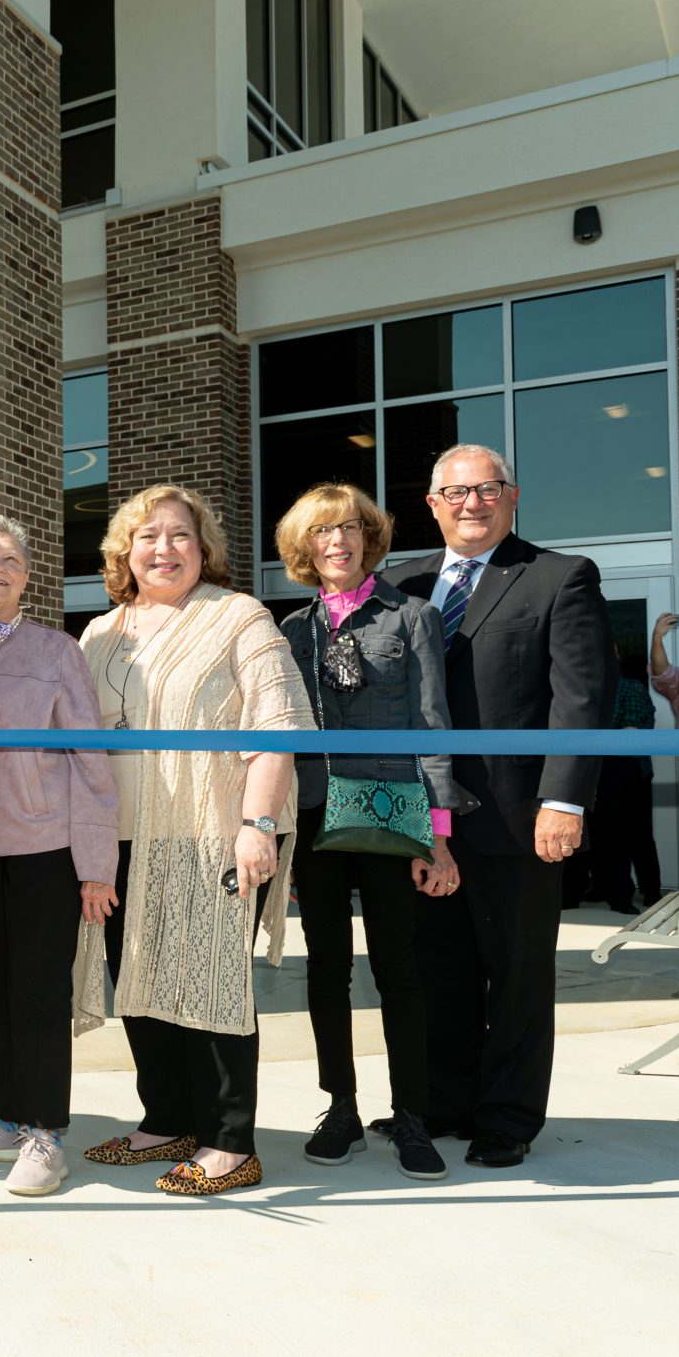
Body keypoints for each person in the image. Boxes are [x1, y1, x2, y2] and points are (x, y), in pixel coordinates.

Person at [75, 484, 311, 1196]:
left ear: (203, 547)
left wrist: (257, 825)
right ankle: (167, 1117)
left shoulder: (239, 617)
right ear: (124, 552)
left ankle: (230, 1141)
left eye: (179, 535)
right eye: (147, 536)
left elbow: (278, 726)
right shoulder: (99, 634)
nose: (163, 548)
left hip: (213, 835)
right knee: (140, 981)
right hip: (119, 840)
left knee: (212, 984)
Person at [382, 444, 612, 1168]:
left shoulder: (557, 577)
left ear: (513, 495)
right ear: (431, 504)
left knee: (516, 977)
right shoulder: (400, 584)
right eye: (454, 492)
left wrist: (565, 799)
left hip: (519, 819)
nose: (470, 503)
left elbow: (582, 698)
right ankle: (448, 1104)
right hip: (424, 821)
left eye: (486, 489)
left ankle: (508, 1119)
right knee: (438, 972)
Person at [273, 483, 470, 1182]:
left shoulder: (412, 617)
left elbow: (432, 723)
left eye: (351, 528)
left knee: (399, 968)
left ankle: (411, 1116)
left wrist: (438, 834)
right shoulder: (290, 631)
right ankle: (342, 1107)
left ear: (369, 538)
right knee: (326, 967)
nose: (338, 542)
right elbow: (277, 740)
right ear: (305, 546)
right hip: (316, 813)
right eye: (323, 531)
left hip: (394, 810)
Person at [0, 517, 117, 1197]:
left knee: (40, 993)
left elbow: (92, 763)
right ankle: (6, 1116)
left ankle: (48, 1134)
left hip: (45, 849)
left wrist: (96, 864)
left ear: (29, 575)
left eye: (11, 558)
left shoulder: (55, 651)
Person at [575, 642, 660, 915]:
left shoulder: (628, 686)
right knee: (599, 834)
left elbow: (631, 731)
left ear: (614, 654)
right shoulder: (582, 690)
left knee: (633, 835)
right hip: (595, 770)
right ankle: (601, 887)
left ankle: (644, 893)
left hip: (626, 771)